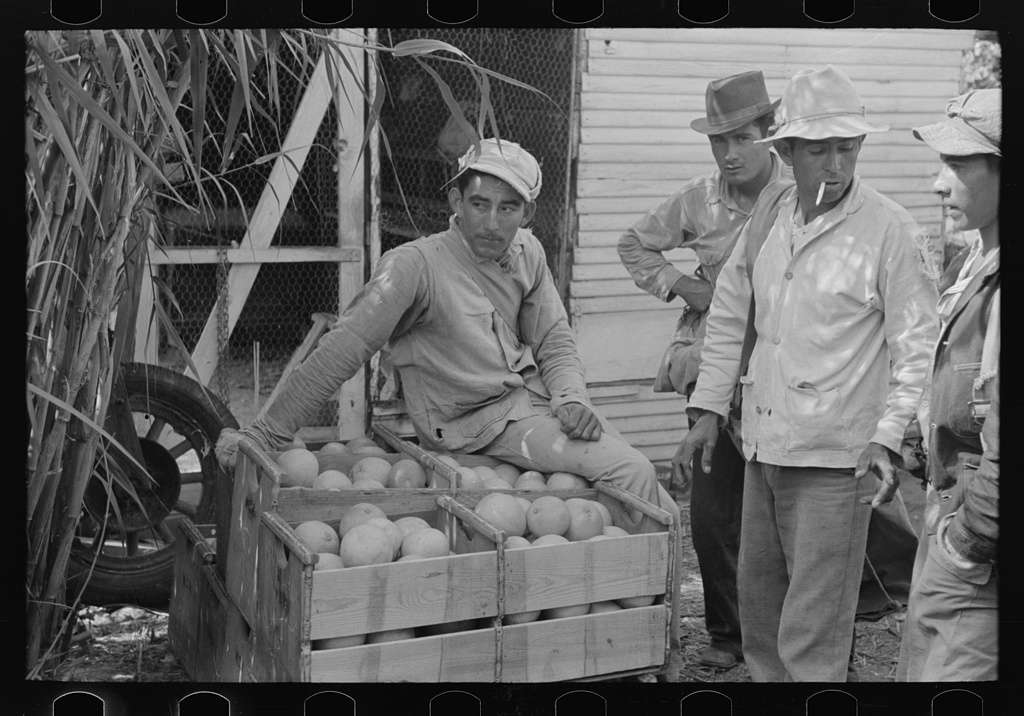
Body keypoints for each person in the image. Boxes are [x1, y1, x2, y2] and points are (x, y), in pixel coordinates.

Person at [215, 137, 679, 535]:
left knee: (665, 506)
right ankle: (641, 598)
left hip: (533, 406)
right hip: (477, 426)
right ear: (456, 201)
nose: (492, 222)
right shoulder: (414, 267)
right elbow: (342, 349)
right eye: (479, 204)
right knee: (633, 471)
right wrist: (265, 434)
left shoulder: (527, 252)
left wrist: (572, 397)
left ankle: (631, 591)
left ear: (527, 212)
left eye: (508, 208)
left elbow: (554, 339)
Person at [675, 66, 939, 681]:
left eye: (847, 147)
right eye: (819, 150)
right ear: (788, 152)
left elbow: (917, 345)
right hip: (763, 444)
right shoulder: (771, 215)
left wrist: (889, 435)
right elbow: (731, 310)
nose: (835, 165)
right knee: (762, 616)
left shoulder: (889, 229)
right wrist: (708, 408)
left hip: (835, 458)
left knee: (813, 631)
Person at [617, 70, 785, 669]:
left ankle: (788, 636)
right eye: (719, 141)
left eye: (743, 138)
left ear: (771, 133)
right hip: (713, 371)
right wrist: (686, 286)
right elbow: (634, 244)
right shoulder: (698, 199)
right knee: (713, 514)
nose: (730, 153)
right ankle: (727, 634)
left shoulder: (797, 194)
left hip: (780, 371)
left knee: (782, 510)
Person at [897, 88, 1000, 682]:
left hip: (977, 543)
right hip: (950, 513)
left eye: (959, 165)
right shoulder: (973, 261)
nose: (939, 183)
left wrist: (968, 540)